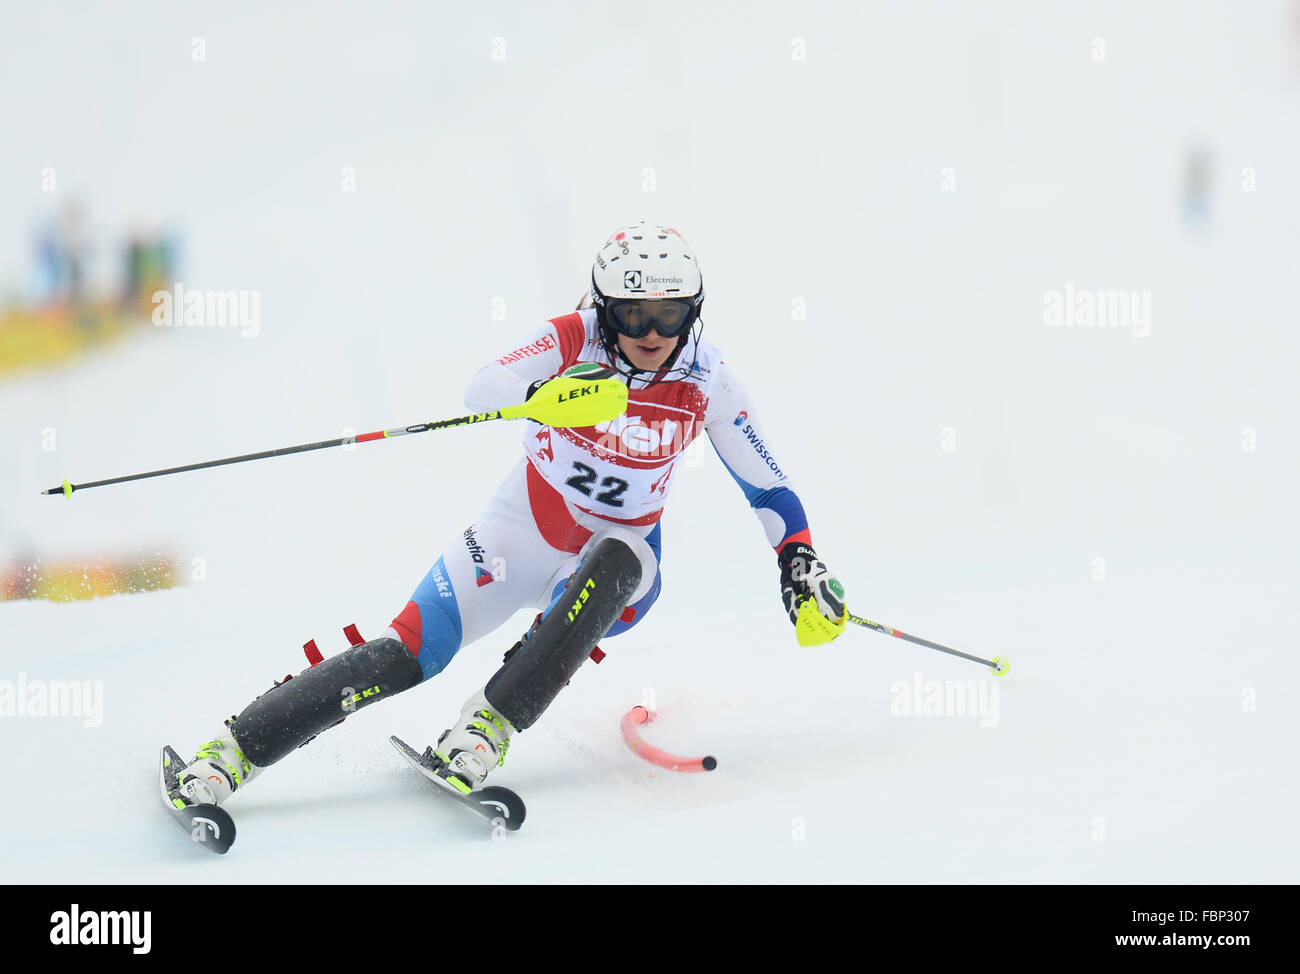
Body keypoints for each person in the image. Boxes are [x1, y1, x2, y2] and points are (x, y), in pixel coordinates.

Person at [170, 222, 847, 807]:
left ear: (692, 313)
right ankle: (230, 753)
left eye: (669, 315)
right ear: (605, 308)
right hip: (517, 533)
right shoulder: (574, 337)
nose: (650, 333)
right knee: (406, 653)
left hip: (620, 559)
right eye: (633, 314)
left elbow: (771, 489)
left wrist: (800, 561)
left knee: (616, 562)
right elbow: (482, 386)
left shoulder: (708, 381)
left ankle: (484, 731)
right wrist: (545, 394)